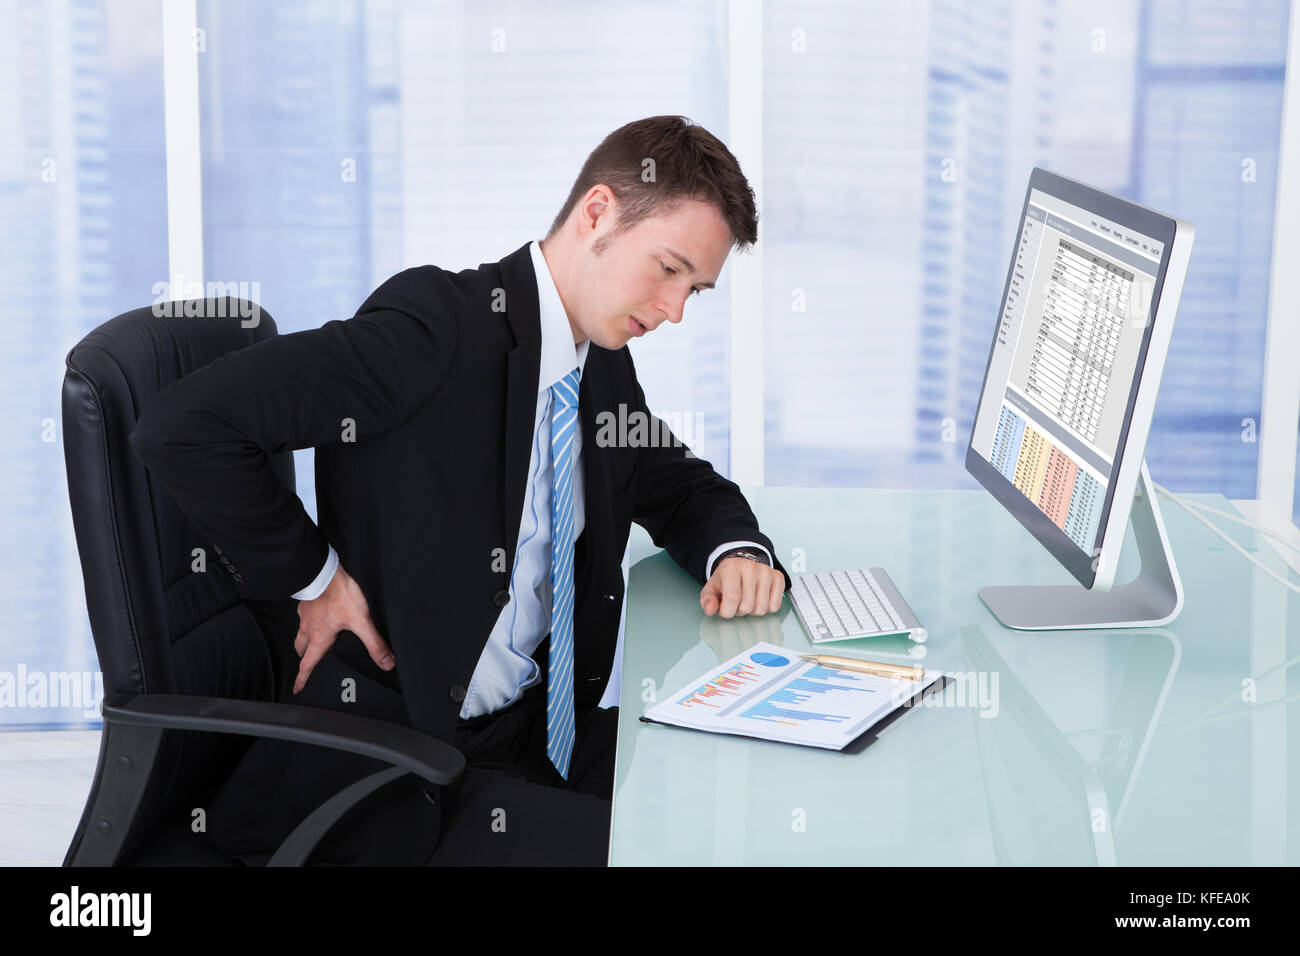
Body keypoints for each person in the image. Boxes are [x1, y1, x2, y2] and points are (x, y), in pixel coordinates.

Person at [129, 114, 792, 866]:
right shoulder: (434, 330)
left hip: (533, 735)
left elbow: (675, 483)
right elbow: (183, 427)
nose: (674, 311)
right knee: (658, 856)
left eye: (694, 290)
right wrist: (313, 577)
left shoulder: (599, 363)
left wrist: (736, 551)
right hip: (401, 768)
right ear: (598, 213)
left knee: (734, 807)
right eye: (668, 269)